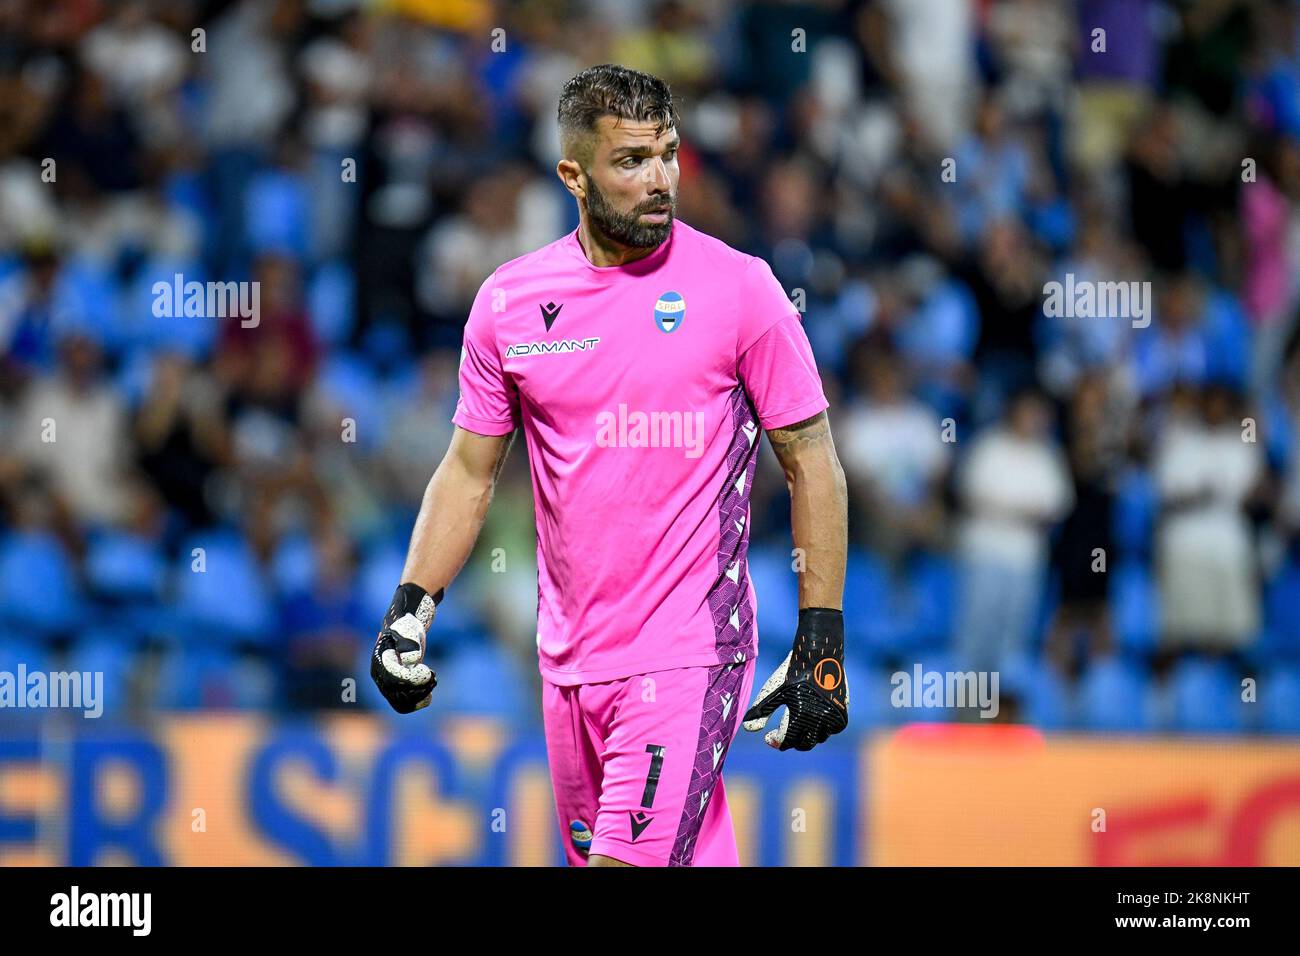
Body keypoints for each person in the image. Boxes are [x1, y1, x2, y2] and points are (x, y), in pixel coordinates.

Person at [368, 64, 849, 867]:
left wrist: (822, 643)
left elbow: (813, 462)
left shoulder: (742, 291)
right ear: (574, 176)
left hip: (689, 650)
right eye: (631, 161)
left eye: (667, 154)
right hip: (568, 667)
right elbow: (467, 471)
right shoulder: (510, 305)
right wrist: (410, 607)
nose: (660, 179)